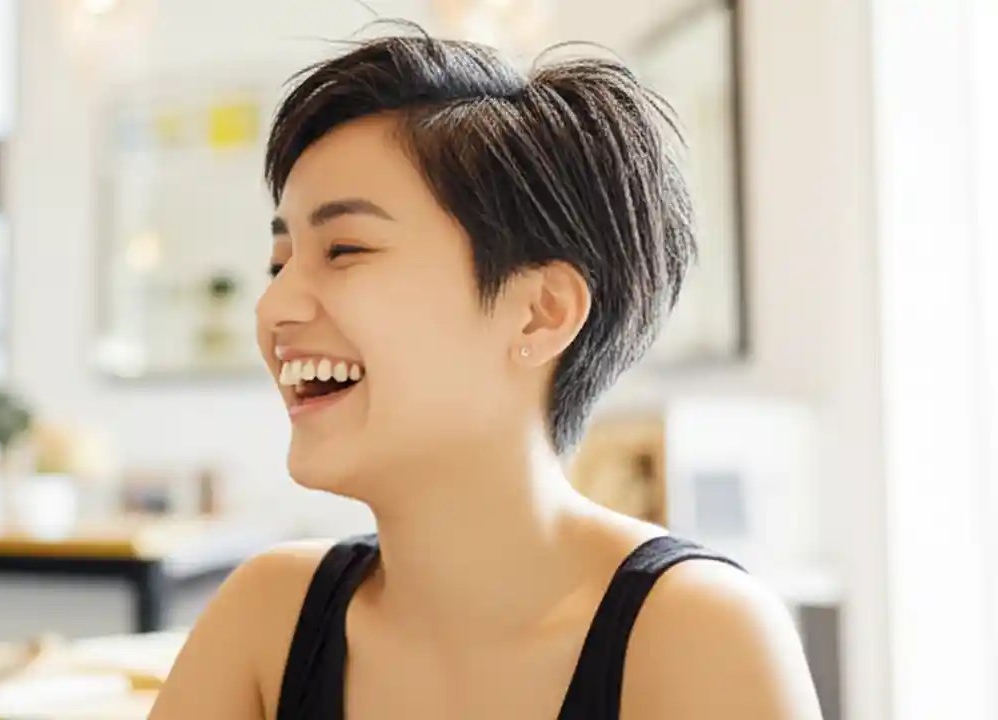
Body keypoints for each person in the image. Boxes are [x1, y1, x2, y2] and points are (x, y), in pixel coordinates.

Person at [150, 30, 822, 720]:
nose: (273, 307)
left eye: (344, 249)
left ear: (539, 313)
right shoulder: (270, 618)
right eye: (279, 264)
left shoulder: (699, 638)